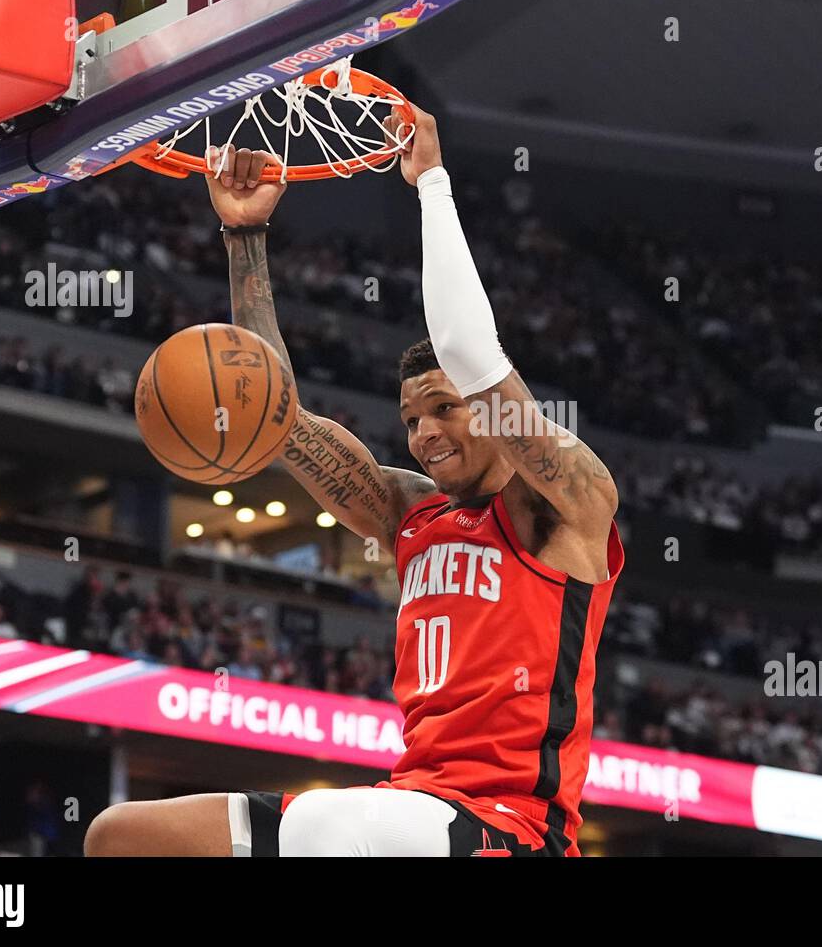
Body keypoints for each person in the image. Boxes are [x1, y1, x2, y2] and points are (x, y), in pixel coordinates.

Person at [86, 107, 621, 858]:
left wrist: (430, 182)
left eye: (445, 408)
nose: (427, 432)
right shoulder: (408, 509)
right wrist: (245, 237)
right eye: (411, 419)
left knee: (339, 827)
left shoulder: (564, 503)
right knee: (122, 837)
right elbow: (274, 414)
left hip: (511, 829)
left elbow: (469, 345)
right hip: (409, 808)